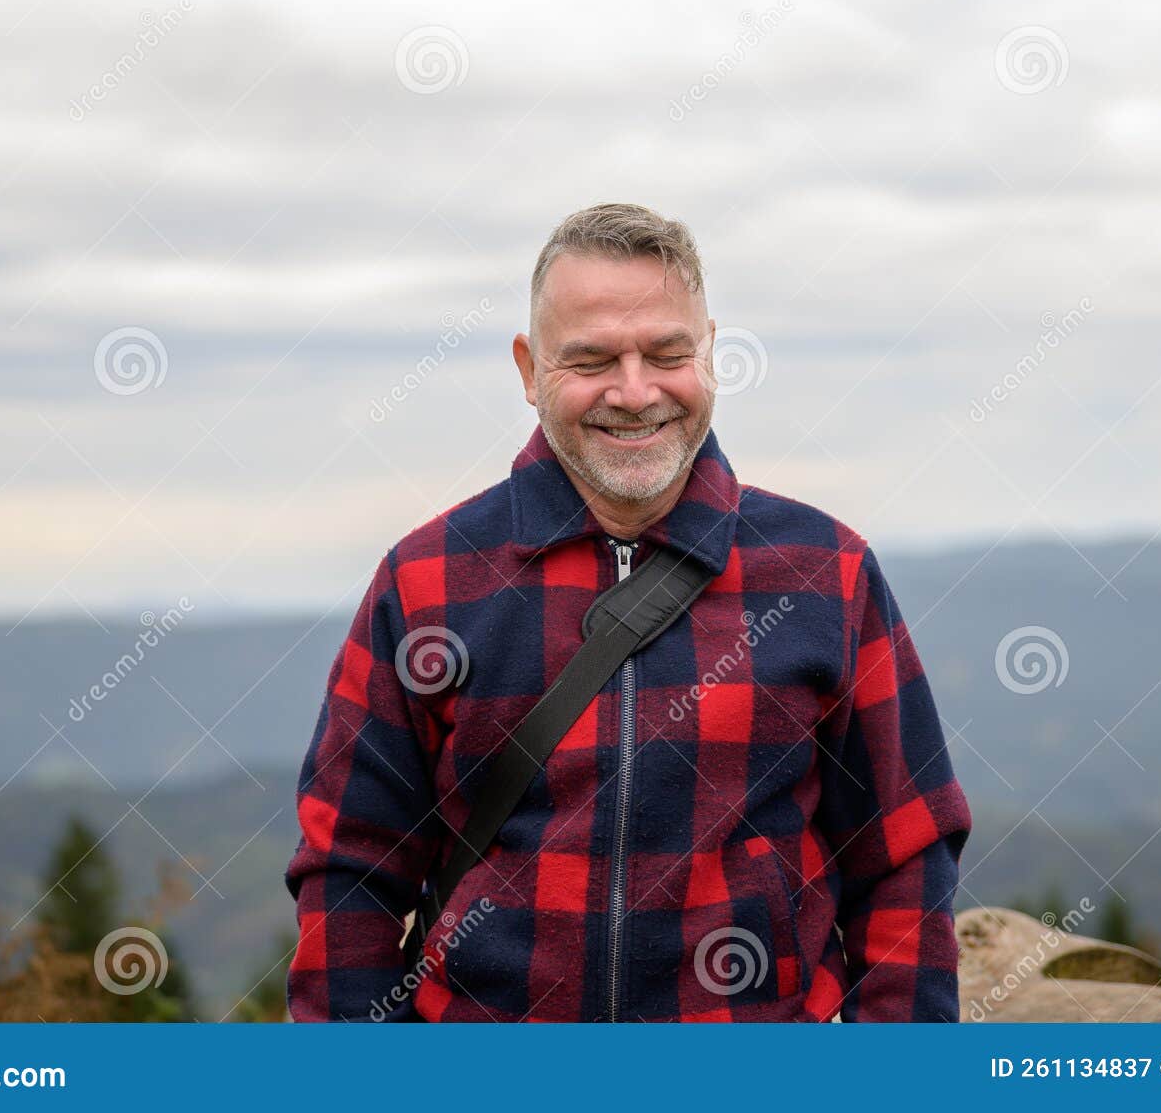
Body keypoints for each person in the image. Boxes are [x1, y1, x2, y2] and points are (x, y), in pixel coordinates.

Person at [284, 201, 972, 1022]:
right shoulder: (425, 581)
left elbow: (906, 854)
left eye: (667, 353)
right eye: (593, 359)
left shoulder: (826, 573)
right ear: (528, 369)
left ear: (709, 351)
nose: (636, 391)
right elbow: (349, 868)